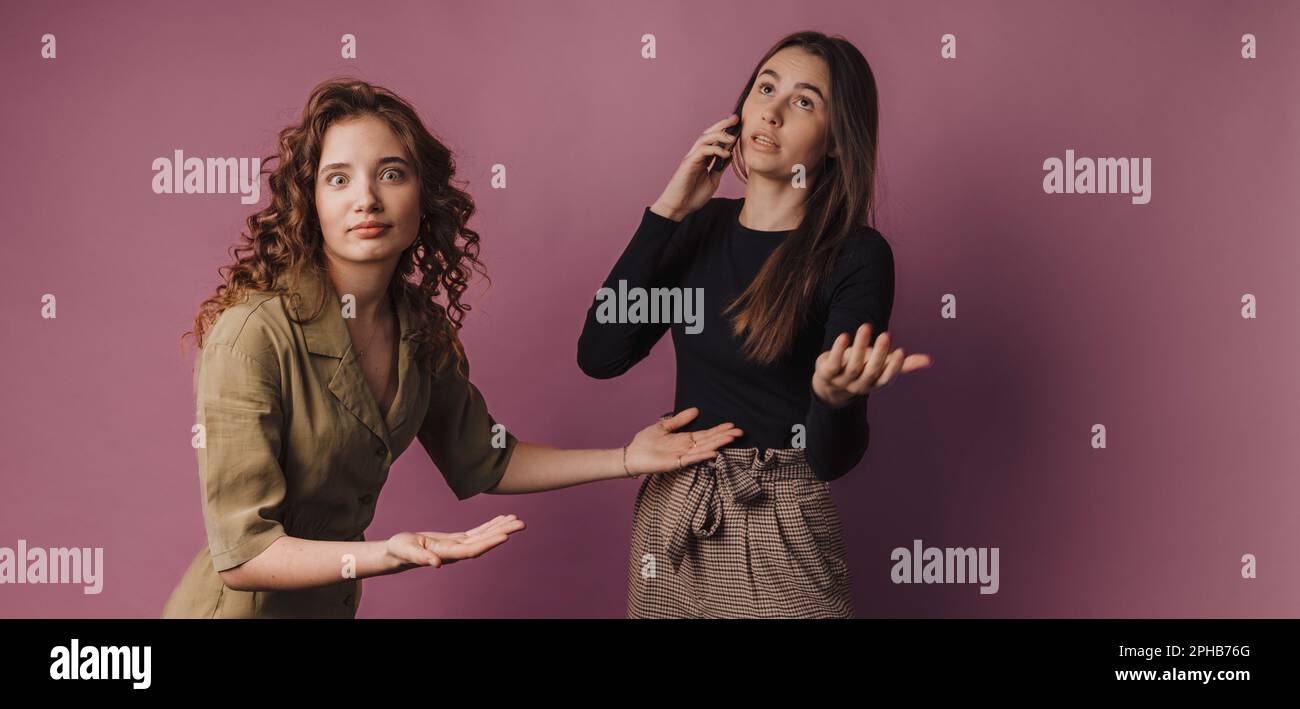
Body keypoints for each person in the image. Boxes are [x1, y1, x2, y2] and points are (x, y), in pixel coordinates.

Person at [163, 78, 742, 618]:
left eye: (390, 173)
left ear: (424, 195)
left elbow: (487, 458)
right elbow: (242, 557)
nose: (365, 198)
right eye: (338, 178)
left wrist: (625, 459)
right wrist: (392, 552)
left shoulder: (418, 330)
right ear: (310, 203)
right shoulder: (252, 334)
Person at [577, 31, 934, 618]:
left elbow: (830, 460)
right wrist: (667, 211)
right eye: (764, 88)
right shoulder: (699, 228)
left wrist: (833, 396)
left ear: (838, 141)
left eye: (803, 101)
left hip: (783, 523)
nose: (768, 110)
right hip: (677, 509)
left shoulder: (856, 255)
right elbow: (600, 353)